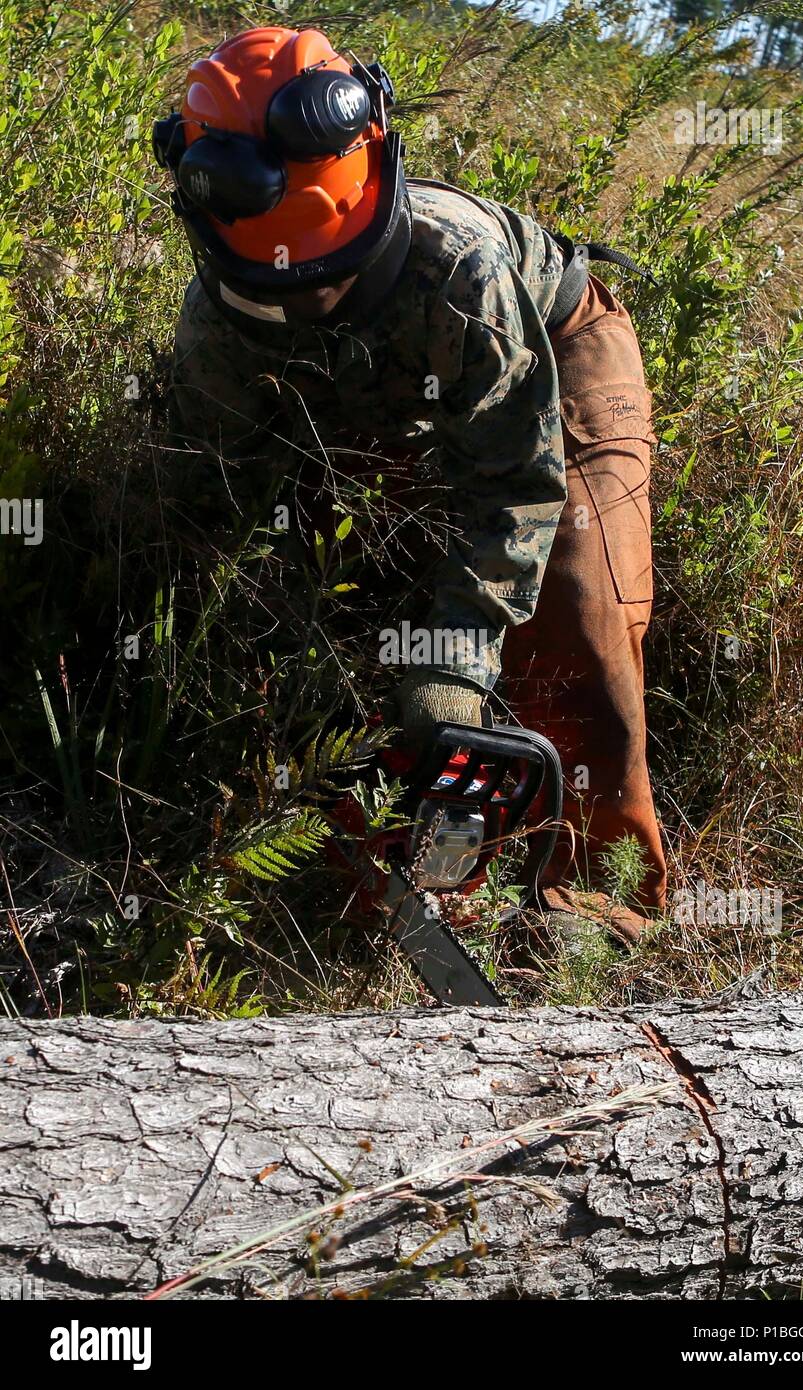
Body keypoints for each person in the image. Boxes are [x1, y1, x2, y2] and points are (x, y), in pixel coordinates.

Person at [156, 24, 666, 943]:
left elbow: (512, 481)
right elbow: (217, 492)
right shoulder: (219, 320)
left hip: (553, 351)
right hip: (374, 398)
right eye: (284, 294)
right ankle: (401, 866)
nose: (304, 305)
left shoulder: (460, 269)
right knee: (346, 596)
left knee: (579, 597)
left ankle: (603, 894)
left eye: (330, 282)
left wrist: (454, 656)